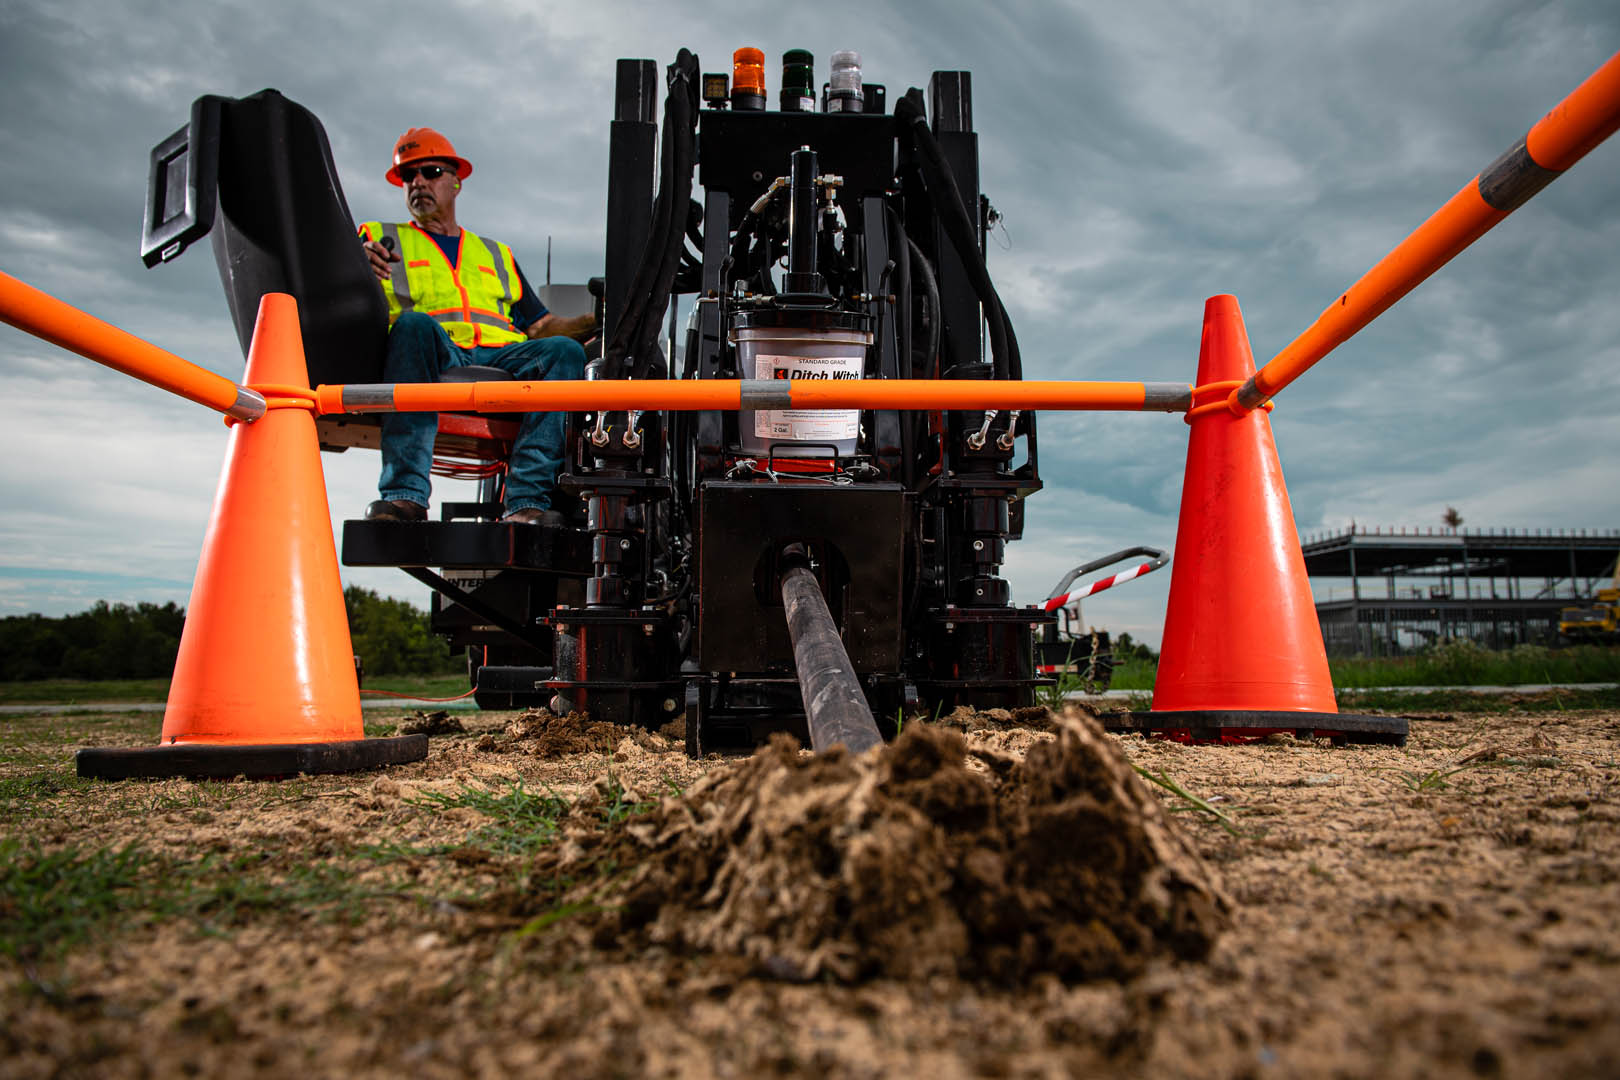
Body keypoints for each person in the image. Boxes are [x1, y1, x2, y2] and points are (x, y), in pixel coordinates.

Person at [357, 127, 595, 526]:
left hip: (502, 356)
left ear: (456, 181)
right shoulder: (379, 240)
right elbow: (338, 278)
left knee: (565, 352)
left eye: (429, 171)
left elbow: (542, 327)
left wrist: (597, 318)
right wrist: (356, 262)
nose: (417, 183)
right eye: (408, 176)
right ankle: (404, 497)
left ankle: (526, 503)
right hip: (437, 351)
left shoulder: (496, 254)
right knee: (413, 325)